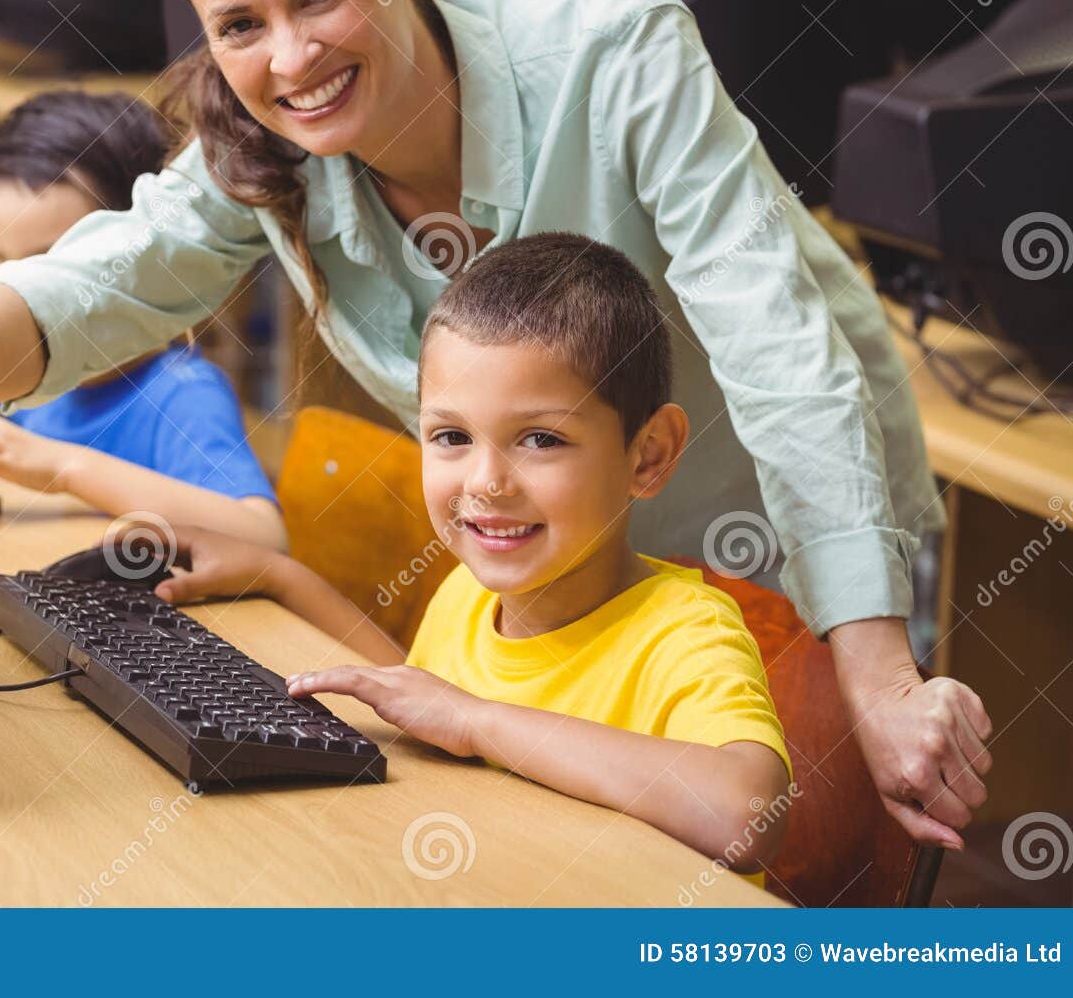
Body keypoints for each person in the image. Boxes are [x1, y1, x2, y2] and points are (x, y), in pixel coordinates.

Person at [0, 0, 991, 850]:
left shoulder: (612, 47)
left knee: (756, 867)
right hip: (570, 589)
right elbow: (90, 289)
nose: (290, 57)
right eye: (239, 24)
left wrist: (879, 671)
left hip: (781, 546)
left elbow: (777, 345)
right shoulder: (260, 152)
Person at [151, 234, 792, 872]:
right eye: (452, 436)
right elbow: (420, 696)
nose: (487, 482)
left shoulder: (684, 633)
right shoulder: (471, 592)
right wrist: (281, 577)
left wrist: (477, 721)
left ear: (647, 455)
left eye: (541, 439)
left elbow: (744, 813)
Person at [0, 93, 285, 550]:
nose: (17, 301)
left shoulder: (184, 392)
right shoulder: (32, 381)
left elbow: (266, 539)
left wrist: (63, 468)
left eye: (48, 275)